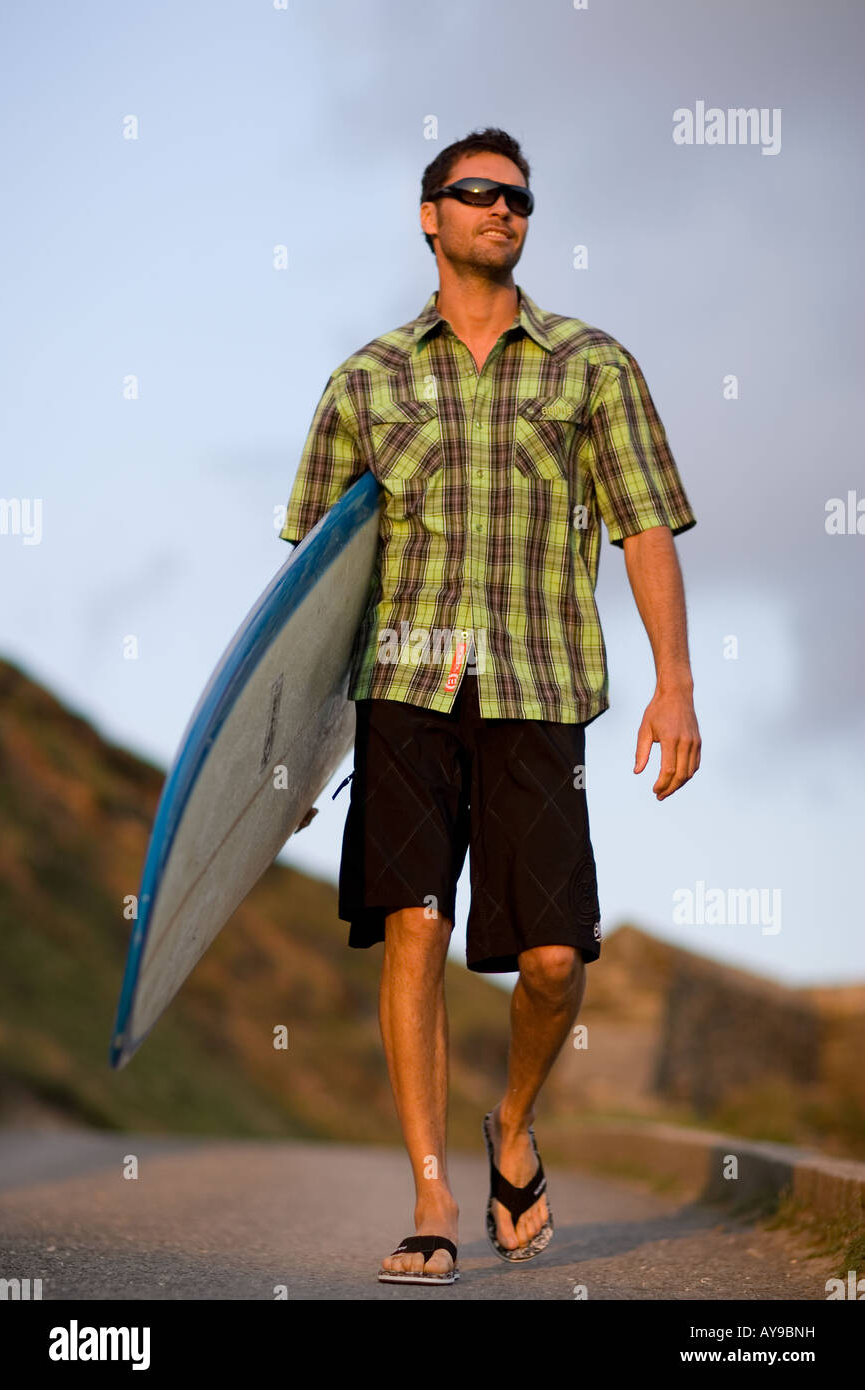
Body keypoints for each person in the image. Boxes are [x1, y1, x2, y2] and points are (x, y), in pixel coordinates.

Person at [279, 126, 701, 1287]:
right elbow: (315, 578)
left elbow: (645, 523)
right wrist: (295, 753)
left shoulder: (591, 364)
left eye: (516, 197)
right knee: (412, 923)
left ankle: (510, 1127)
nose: (499, 210)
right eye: (474, 194)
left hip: (539, 690)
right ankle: (428, 1191)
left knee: (556, 958)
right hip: (403, 691)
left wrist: (673, 682)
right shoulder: (365, 380)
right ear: (429, 215)